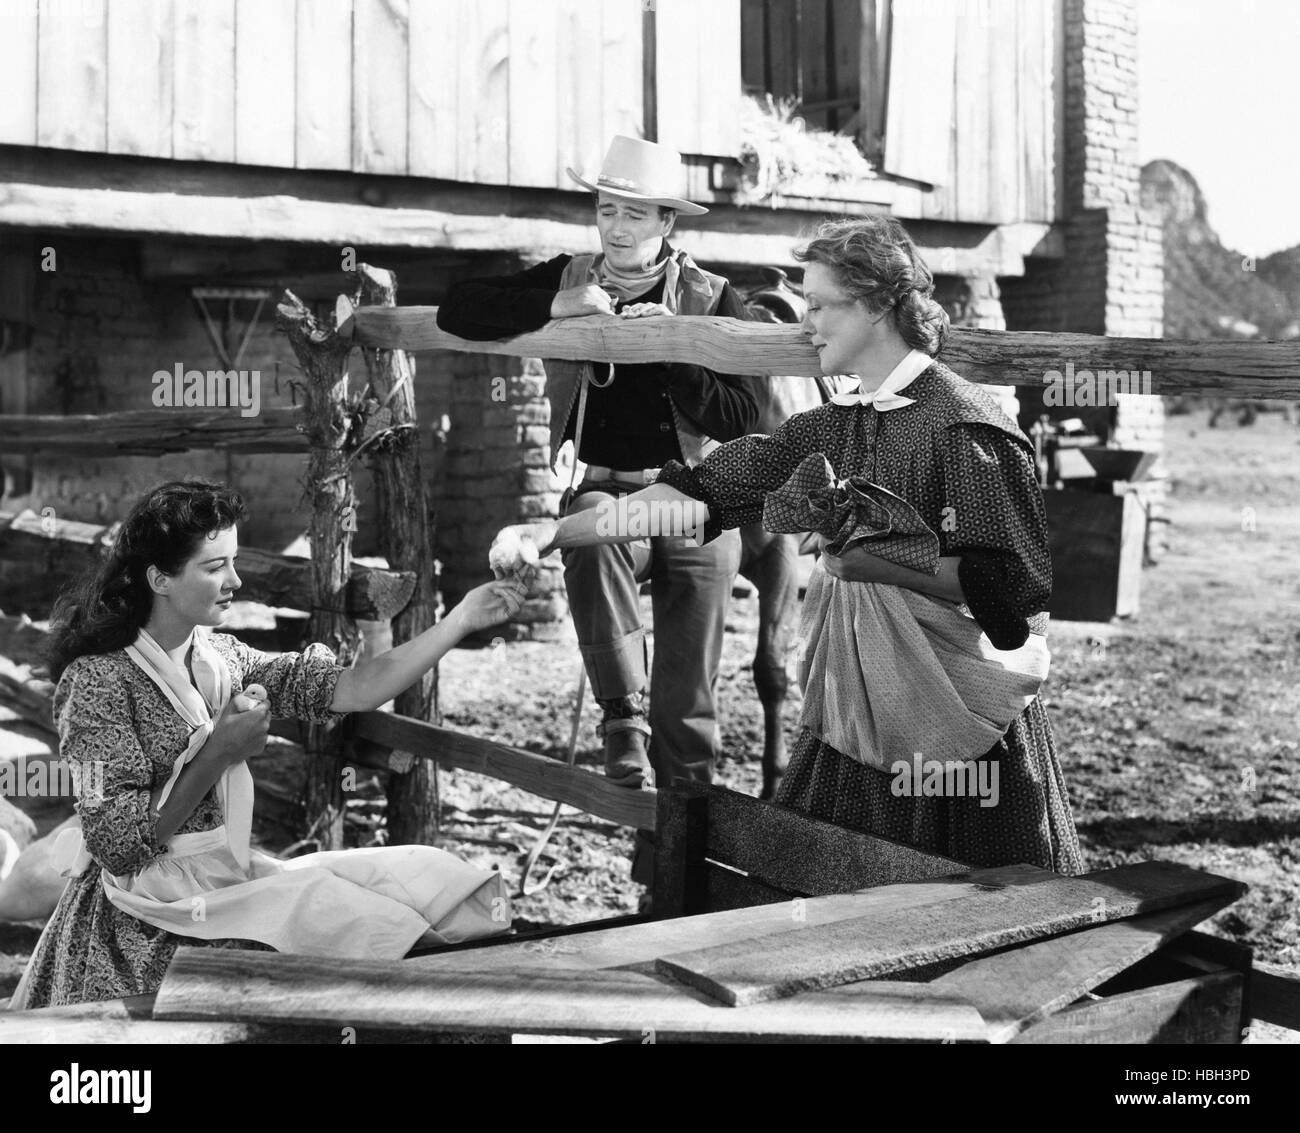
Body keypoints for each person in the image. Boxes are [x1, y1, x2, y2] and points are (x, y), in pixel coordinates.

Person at [490, 216, 1083, 875]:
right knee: (830, 913)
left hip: (963, 744)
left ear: (877, 307)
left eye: (822, 306)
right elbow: (696, 493)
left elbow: (1014, 596)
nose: (807, 325)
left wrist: (888, 563)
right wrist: (554, 531)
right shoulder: (833, 426)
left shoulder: (966, 427)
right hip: (854, 729)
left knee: (974, 932)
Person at [12, 479, 526, 1010]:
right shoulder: (96, 683)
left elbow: (353, 687)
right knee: (356, 922)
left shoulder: (220, 658)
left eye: (233, 561)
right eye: (214, 567)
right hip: (143, 914)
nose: (235, 579)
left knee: (429, 878)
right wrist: (219, 753)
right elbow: (116, 845)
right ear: (159, 578)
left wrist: (460, 619)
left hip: (222, 878)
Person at [438, 135, 766, 797]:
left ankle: (676, 855)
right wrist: (554, 306)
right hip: (608, 494)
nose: (615, 228)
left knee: (687, 700)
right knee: (589, 532)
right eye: (606, 209)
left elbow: (744, 416)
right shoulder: (571, 276)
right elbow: (457, 306)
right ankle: (621, 718)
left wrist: (669, 348)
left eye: (634, 214)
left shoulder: (713, 296)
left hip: (696, 503)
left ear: (667, 222)